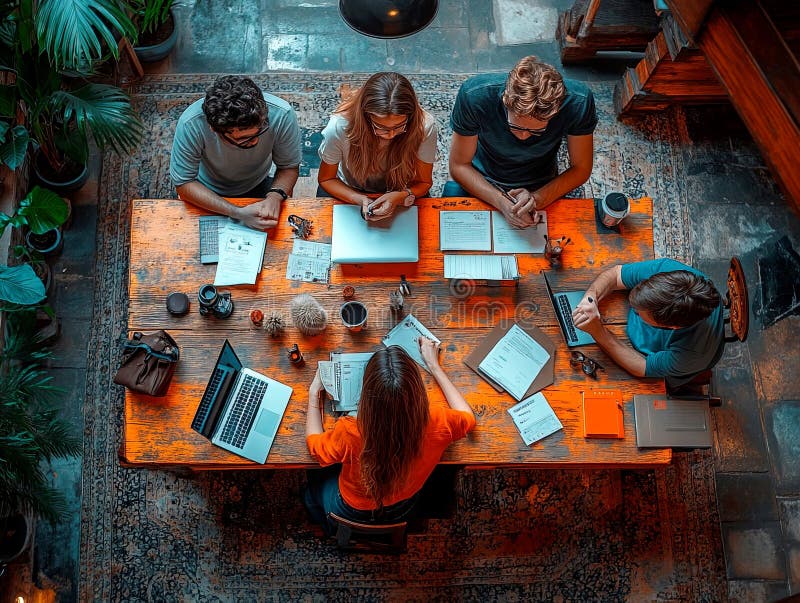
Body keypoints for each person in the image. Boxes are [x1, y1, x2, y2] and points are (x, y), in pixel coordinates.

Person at [303, 339, 475, 534]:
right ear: (417, 391)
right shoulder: (438, 422)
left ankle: (322, 522)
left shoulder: (351, 432)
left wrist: (313, 394)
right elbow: (468, 417)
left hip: (351, 508)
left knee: (313, 487)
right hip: (406, 504)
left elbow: (316, 448)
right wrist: (434, 366)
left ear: (367, 396)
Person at [445, 56, 596, 228]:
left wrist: (536, 198)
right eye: (515, 127)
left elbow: (581, 168)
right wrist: (501, 202)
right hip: (480, 175)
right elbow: (458, 165)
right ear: (505, 101)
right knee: (448, 229)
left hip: (542, 181)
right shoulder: (474, 95)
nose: (523, 136)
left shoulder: (579, 102)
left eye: (536, 131)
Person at [170, 75, 302, 230]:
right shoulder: (190, 124)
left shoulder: (282, 114)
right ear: (214, 130)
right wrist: (237, 213)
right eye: (244, 139)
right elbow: (184, 183)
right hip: (205, 189)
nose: (255, 141)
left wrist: (274, 196)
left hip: (257, 182)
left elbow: (288, 167)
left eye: (260, 130)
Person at [571, 259, 724, 390]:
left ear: (672, 327)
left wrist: (598, 332)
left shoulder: (691, 355)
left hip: (675, 367)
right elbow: (616, 274)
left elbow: (641, 367)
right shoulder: (669, 272)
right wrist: (590, 297)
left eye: (638, 312)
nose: (633, 307)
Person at [317, 72, 436, 222]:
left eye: (399, 126)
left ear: (410, 118)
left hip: (401, 188)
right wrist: (359, 199)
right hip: (349, 188)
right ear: (365, 117)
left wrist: (401, 196)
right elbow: (327, 179)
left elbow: (424, 182)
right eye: (381, 127)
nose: (390, 135)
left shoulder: (424, 127)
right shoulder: (339, 128)